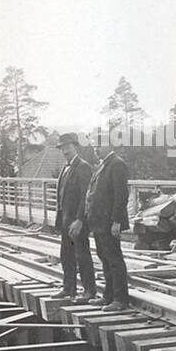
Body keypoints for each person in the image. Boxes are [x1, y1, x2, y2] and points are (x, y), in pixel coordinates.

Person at [85, 143, 130, 310]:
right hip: (99, 222)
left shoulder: (117, 164)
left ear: (109, 145)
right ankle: (108, 296)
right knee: (105, 258)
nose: (95, 149)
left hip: (109, 222)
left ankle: (120, 300)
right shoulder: (103, 165)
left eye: (99, 145)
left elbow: (121, 194)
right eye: (94, 146)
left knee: (114, 260)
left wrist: (116, 221)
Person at [53, 133, 96, 303]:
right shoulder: (65, 168)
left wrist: (80, 220)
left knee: (82, 255)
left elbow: (85, 196)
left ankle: (89, 291)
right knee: (66, 255)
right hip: (65, 220)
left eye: (68, 147)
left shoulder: (83, 167)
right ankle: (68, 289)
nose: (65, 151)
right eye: (63, 148)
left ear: (75, 147)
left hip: (77, 222)